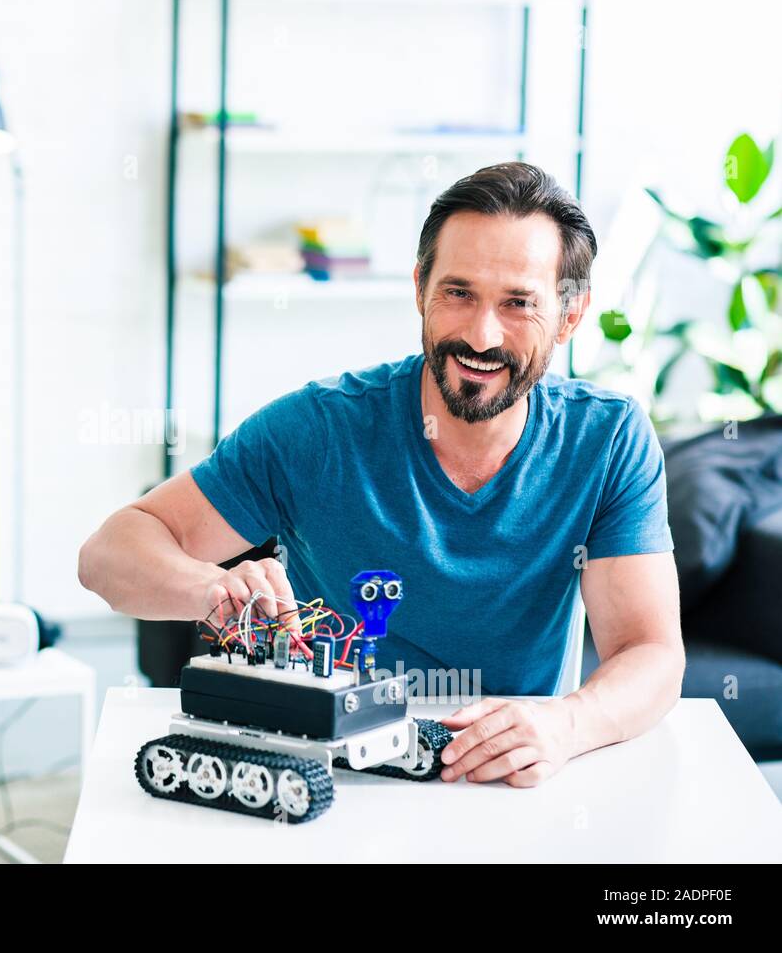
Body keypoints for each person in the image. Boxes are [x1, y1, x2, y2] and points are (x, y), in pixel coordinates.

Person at [78, 162, 684, 787]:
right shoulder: (319, 429)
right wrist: (209, 590)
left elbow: (652, 653)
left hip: (503, 779)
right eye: (458, 292)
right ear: (420, 287)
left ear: (569, 314)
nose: (481, 333)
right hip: (328, 774)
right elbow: (107, 557)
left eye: (518, 303)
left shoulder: (607, 439)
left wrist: (568, 724)